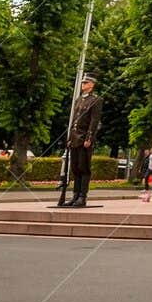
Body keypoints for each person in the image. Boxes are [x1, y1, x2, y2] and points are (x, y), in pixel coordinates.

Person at [66, 74, 102, 208]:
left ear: (91, 85)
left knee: (84, 167)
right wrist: (70, 138)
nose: (83, 85)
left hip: (84, 138)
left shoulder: (96, 100)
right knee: (75, 168)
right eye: (82, 83)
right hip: (75, 137)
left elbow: (94, 121)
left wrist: (89, 138)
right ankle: (75, 195)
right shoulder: (79, 100)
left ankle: (82, 196)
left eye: (85, 83)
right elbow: (74, 119)